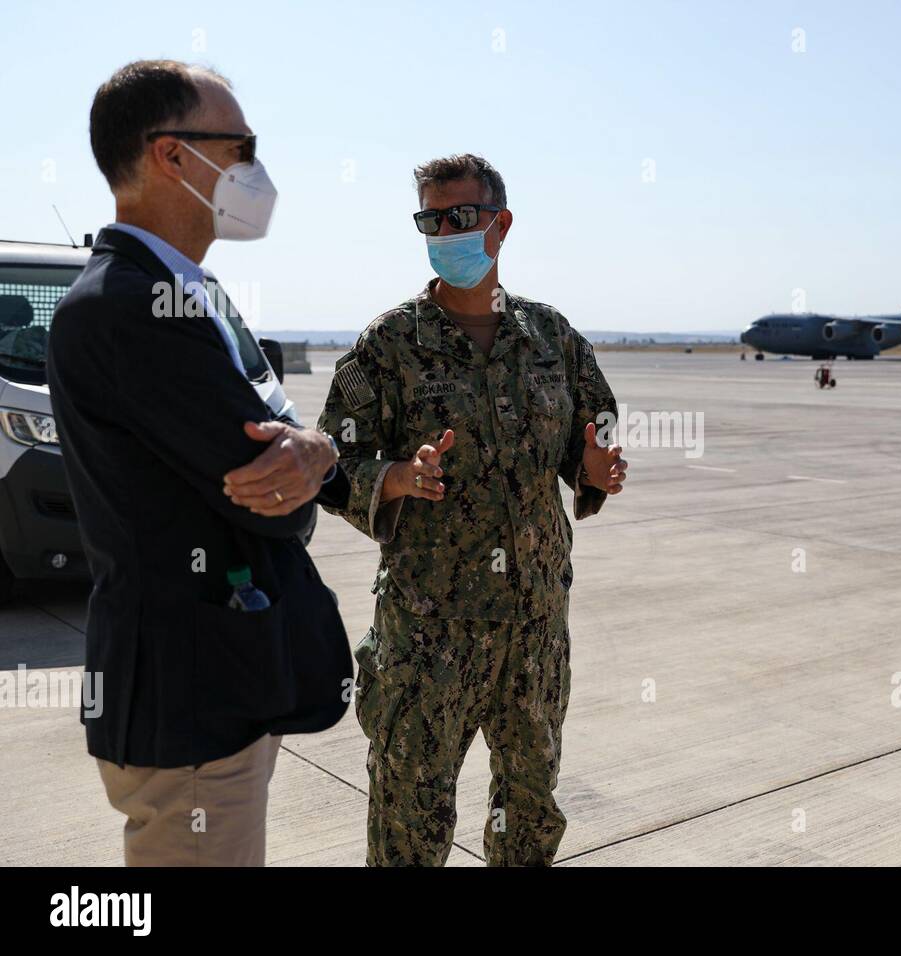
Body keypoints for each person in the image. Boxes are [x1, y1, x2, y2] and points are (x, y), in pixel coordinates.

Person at [48, 60, 352, 866]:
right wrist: (310, 463)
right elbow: (275, 497)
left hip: (217, 686)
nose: (254, 168)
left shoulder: (188, 290)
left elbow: (285, 442)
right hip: (187, 703)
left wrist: (317, 453)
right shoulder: (126, 307)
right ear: (171, 156)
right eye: (241, 146)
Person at [318, 153, 627, 866]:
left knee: (528, 818)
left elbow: (595, 423)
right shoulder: (390, 344)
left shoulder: (551, 338)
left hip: (536, 627)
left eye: (461, 217)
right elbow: (333, 463)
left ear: (501, 224)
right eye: (432, 219)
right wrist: (395, 476)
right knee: (409, 822)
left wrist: (595, 467)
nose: (446, 231)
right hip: (429, 633)